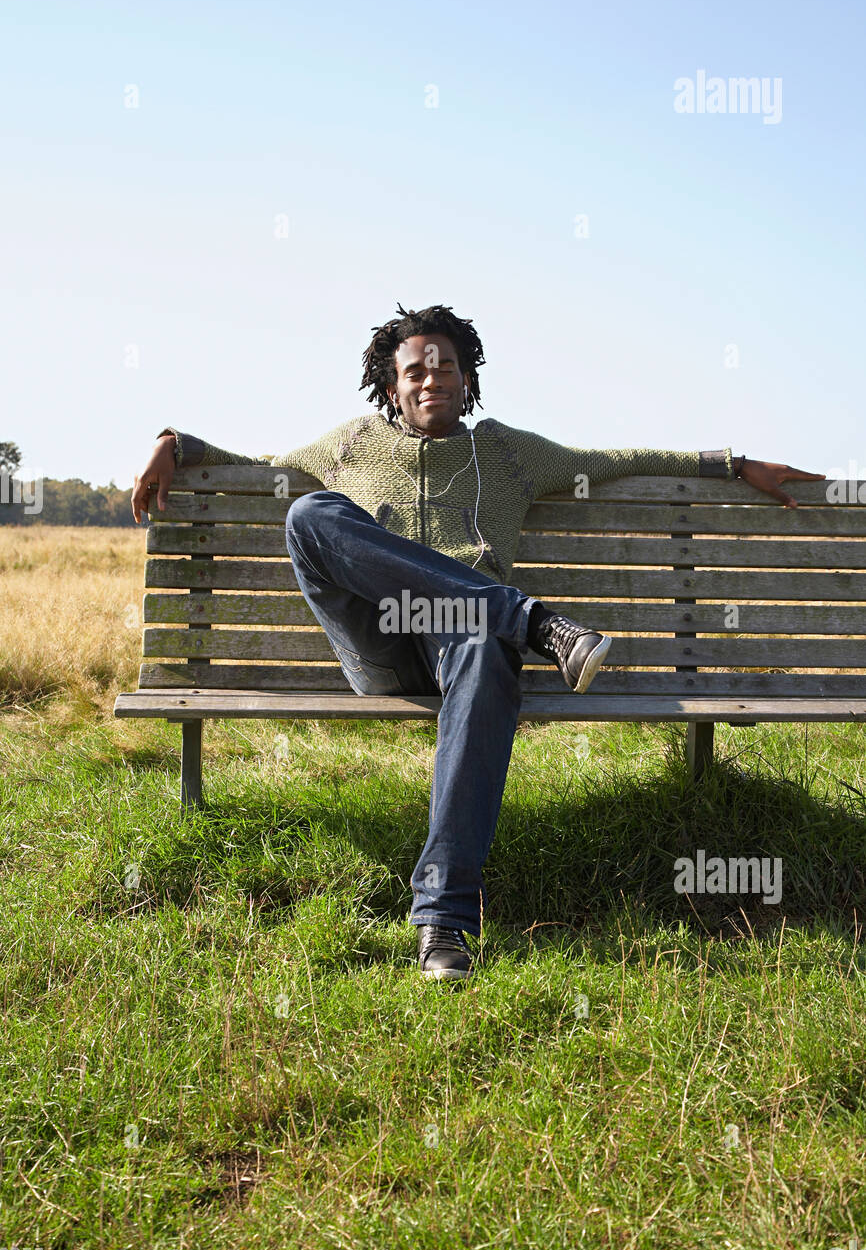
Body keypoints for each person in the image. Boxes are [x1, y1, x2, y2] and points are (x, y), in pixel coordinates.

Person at [131, 303, 824, 982]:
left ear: (467, 380)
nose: (431, 379)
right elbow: (259, 466)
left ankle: (444, 919)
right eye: (415, 371)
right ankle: (535, 624)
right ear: (392, 386)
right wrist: (174, 444)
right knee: (310, 513)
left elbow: (615, 458)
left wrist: (735, 464)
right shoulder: (349, 445)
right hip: (380, 643)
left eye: (446, 368)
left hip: (467, 649)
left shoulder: (509, 453)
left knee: (482, 641)